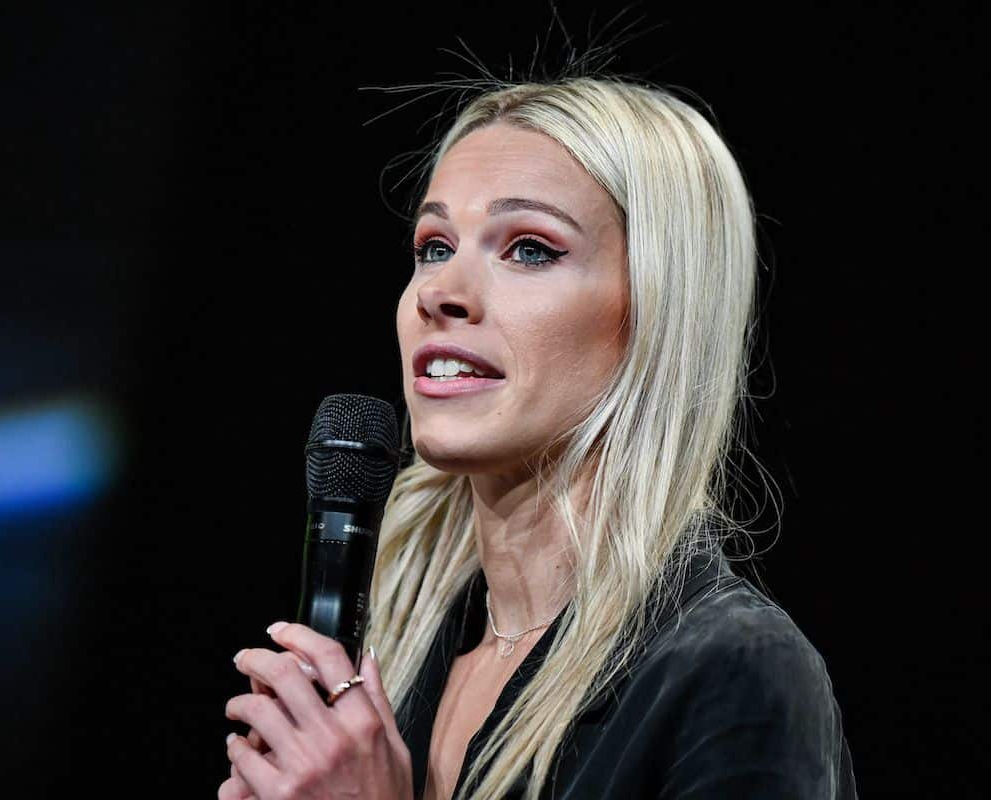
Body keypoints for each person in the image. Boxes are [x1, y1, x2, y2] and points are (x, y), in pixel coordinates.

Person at [219, 75, 857, 800]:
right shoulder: (398, 652)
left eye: (528, 249)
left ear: (655, 313)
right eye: (433, 246)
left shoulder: (734, 672)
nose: (439, 291)